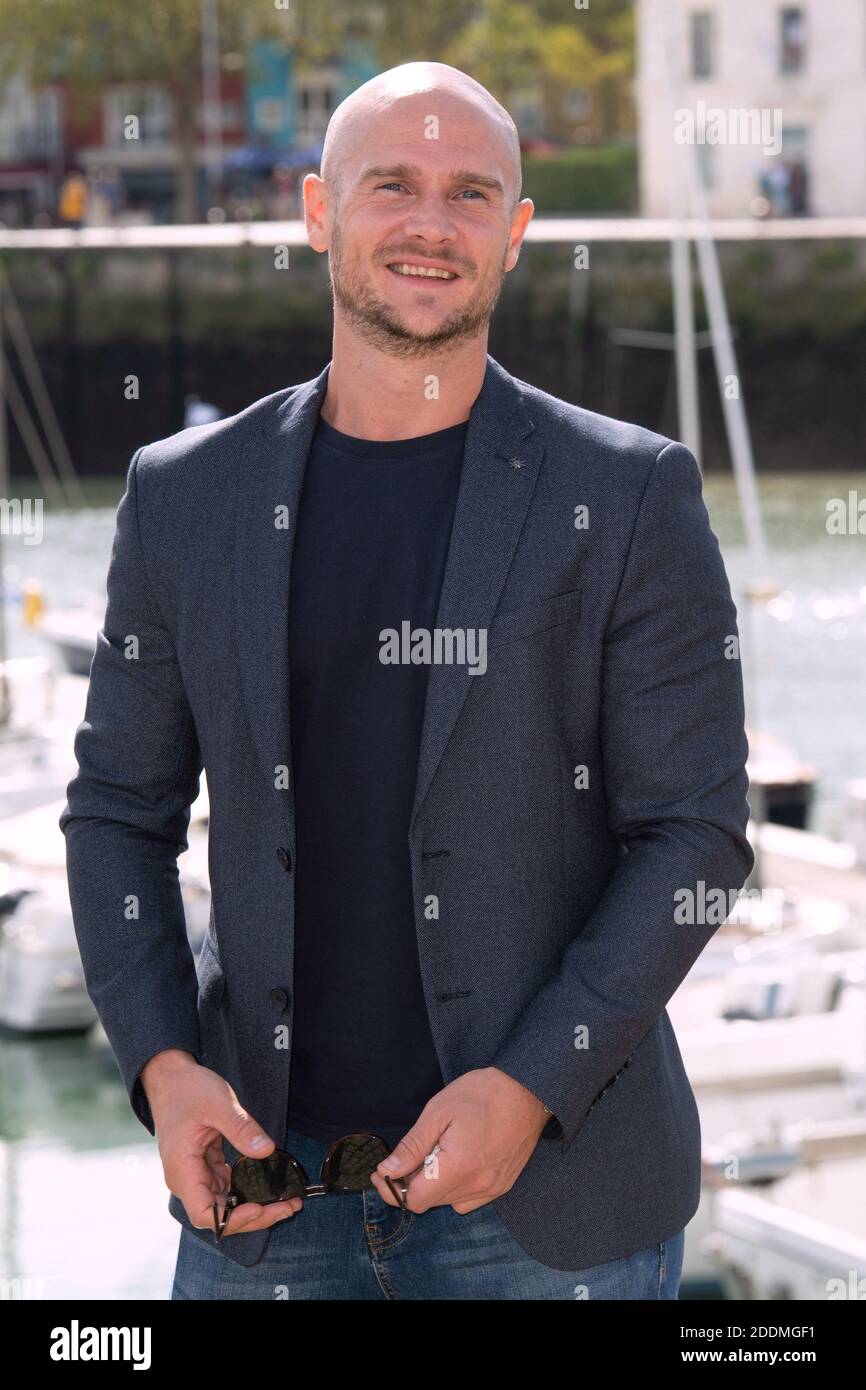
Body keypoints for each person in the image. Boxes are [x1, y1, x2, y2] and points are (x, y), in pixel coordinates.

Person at [60, 62, 753, 1301]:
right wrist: (162, 1065)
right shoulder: (183, 497)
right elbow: (117, 809)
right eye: (392, 186)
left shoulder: (632, 493)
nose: (430, 224)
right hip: (258, 1203)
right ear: (320, 211)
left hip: (554, 1206)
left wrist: (533, 1080)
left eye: (469, 194)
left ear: (515, 234)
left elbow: (693, 836)